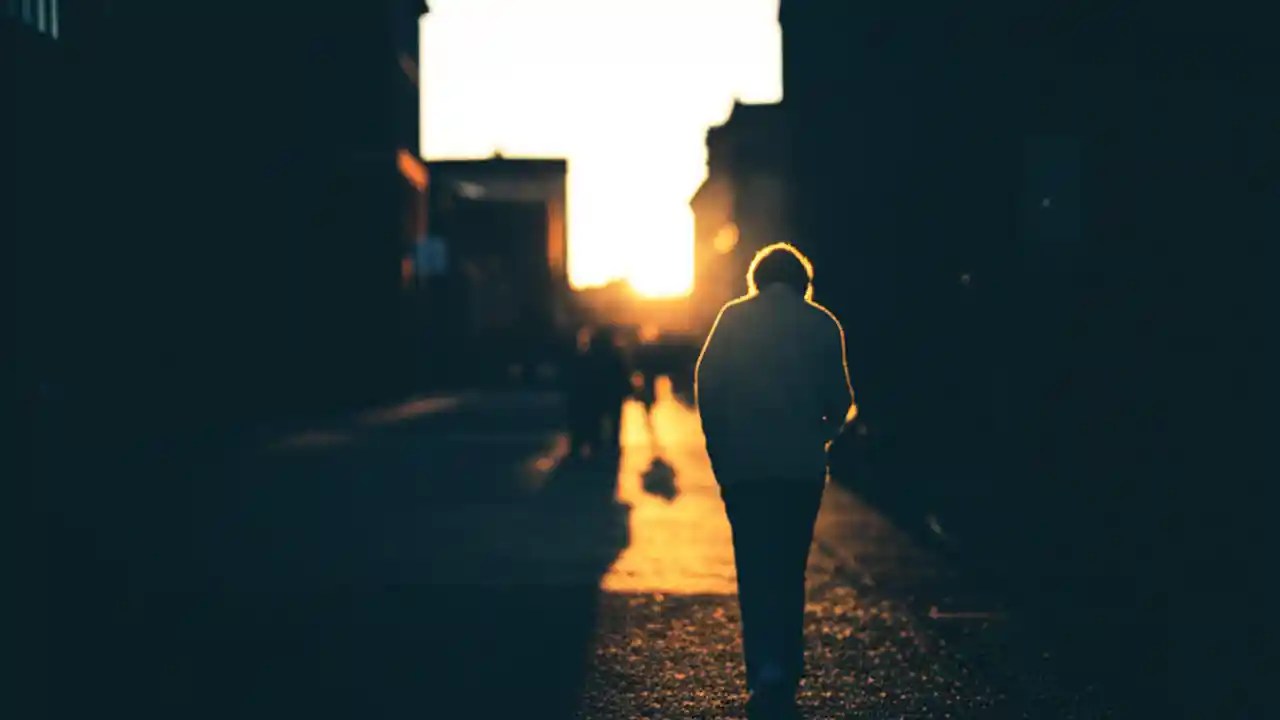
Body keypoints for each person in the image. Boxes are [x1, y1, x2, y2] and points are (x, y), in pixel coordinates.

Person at [695, 243, 855, 719]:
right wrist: (819, 435)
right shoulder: (823, 323)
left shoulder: (732, 318)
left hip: (745, 469)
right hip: (800, 470)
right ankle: (784, 668)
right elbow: (841, 400)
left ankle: (762, 668)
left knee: (754, 567)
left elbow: (708, 387)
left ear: (756, 279)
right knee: (789, 568)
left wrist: (721, 448)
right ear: (803, 282)